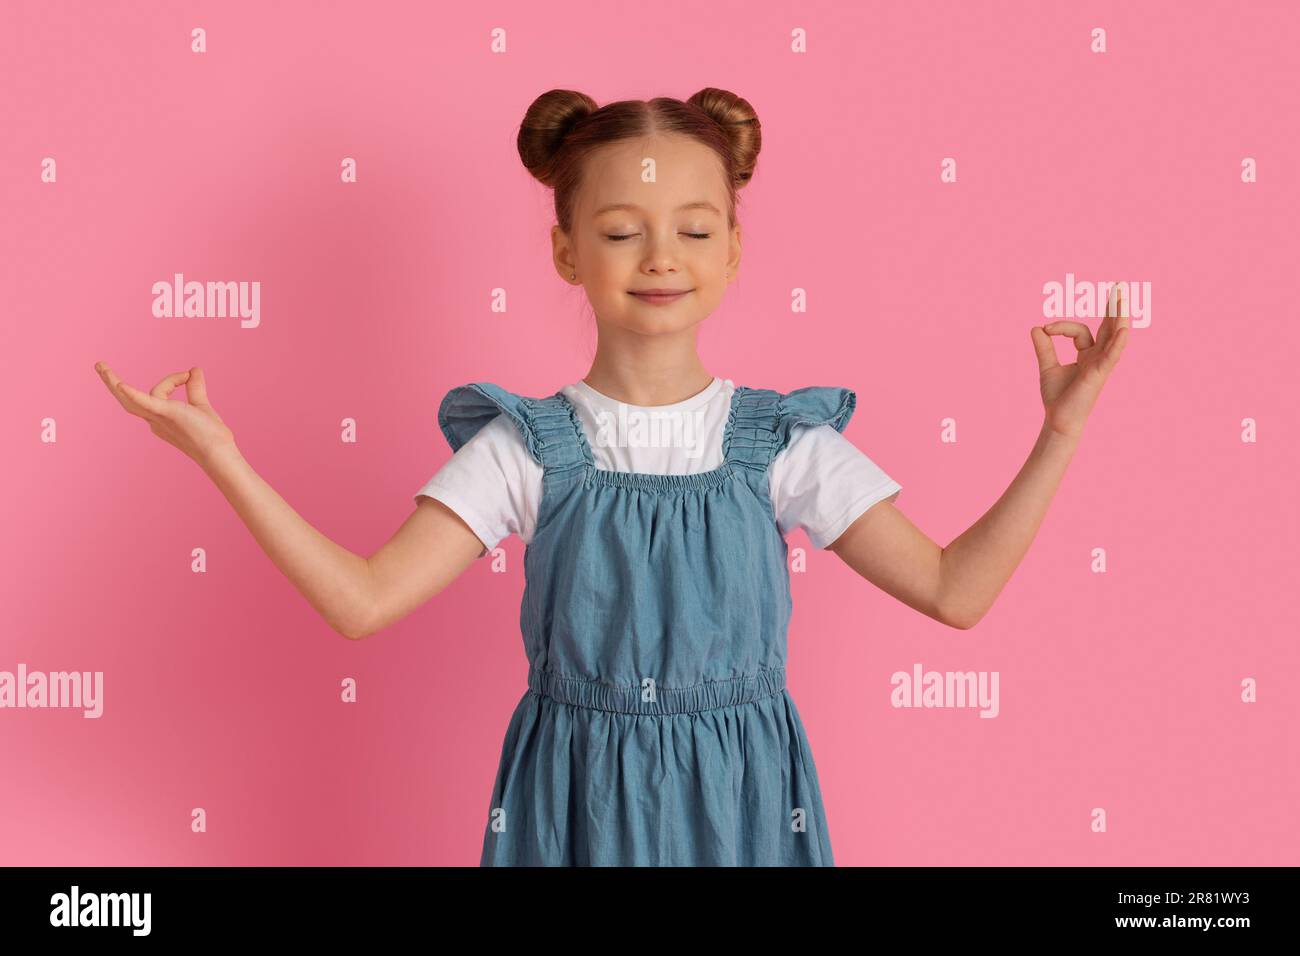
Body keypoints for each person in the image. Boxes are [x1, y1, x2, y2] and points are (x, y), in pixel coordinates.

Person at [94, 87, 1129, 866]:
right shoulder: (524, 446)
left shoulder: (783, 441)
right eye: (621, 231)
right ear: (565, 251)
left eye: (693, 227)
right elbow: (361, 602)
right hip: (571, 808)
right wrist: (219, 455)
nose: (659, 255)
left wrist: (1062, 428)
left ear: (731, 250)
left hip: (746, 811)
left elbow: (956, 590)